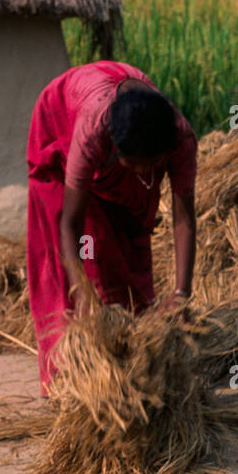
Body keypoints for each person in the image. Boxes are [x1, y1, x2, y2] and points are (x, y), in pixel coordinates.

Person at [26, 61, 198, 393]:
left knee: (127, 242)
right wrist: (84, 293)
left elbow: (184, 217)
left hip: (122, 115)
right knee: (85, 253)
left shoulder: (179, 138)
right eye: (132, 165)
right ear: (114, 148)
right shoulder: (92, 129)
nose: (141, 173)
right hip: (59, 116)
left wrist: (181, 293)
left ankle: (132, 354)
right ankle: (70, 376)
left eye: (149, 166)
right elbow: (70, 224)